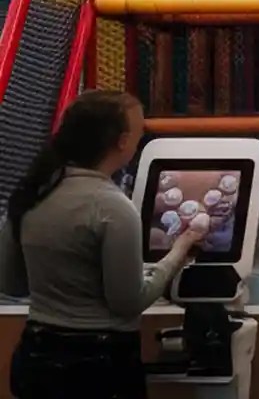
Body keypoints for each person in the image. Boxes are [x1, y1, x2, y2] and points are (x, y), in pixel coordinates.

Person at [0, 90, 206, 399]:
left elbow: (12, 283)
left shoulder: (32, 192)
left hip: (36, 356)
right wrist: (180, 249)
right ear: (122, 141)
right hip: (98, 367)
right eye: (139, 132)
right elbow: (127, 302)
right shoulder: (112, 207)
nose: (140, 139)